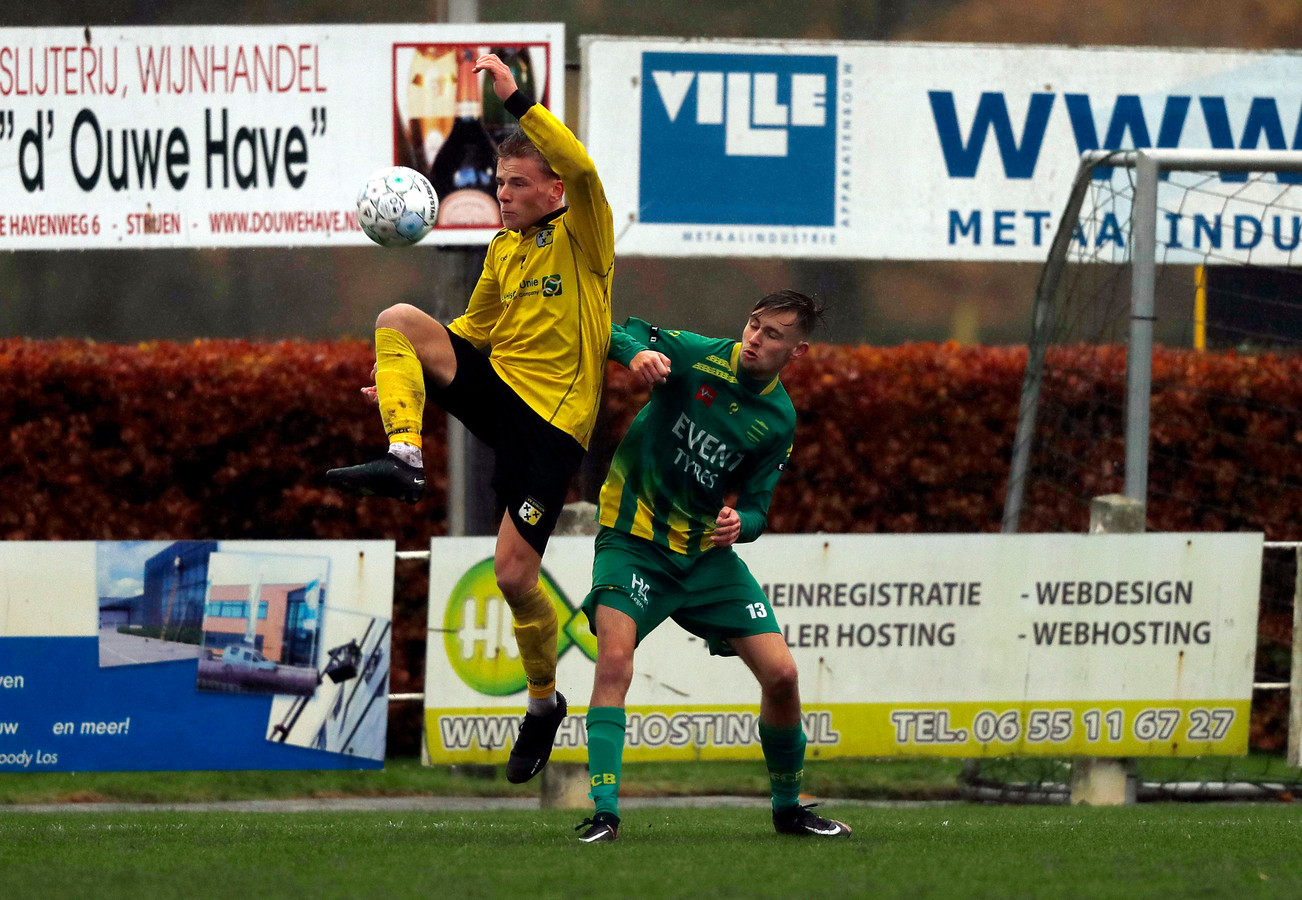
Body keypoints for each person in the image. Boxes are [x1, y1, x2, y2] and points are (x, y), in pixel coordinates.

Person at [326, 53, 613, 784]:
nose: (503, 193)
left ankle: (544, 704)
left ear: (551, 187)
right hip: (500, 394)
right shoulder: (501, 249)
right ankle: (403, 454)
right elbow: (472, 333)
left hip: (552, 426)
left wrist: (517, 98)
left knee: (514, 577)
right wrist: (403, 377)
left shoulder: (584, 233)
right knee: (398, 320)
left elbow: (580, 168)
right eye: (499, 181)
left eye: (517, 183)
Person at [575, 290, 850, 843]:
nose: (755, 338)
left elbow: (757, 506)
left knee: (783, 675)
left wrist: (739, 524)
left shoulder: (777, 419)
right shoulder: (697, 353)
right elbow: (611, 328)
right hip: (634, 541)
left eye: (773, 334)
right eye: (753, 325)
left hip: (705, 556)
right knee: (615, 660)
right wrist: (634, 353)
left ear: (795, 353)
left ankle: (788, 808)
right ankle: (605, 811)